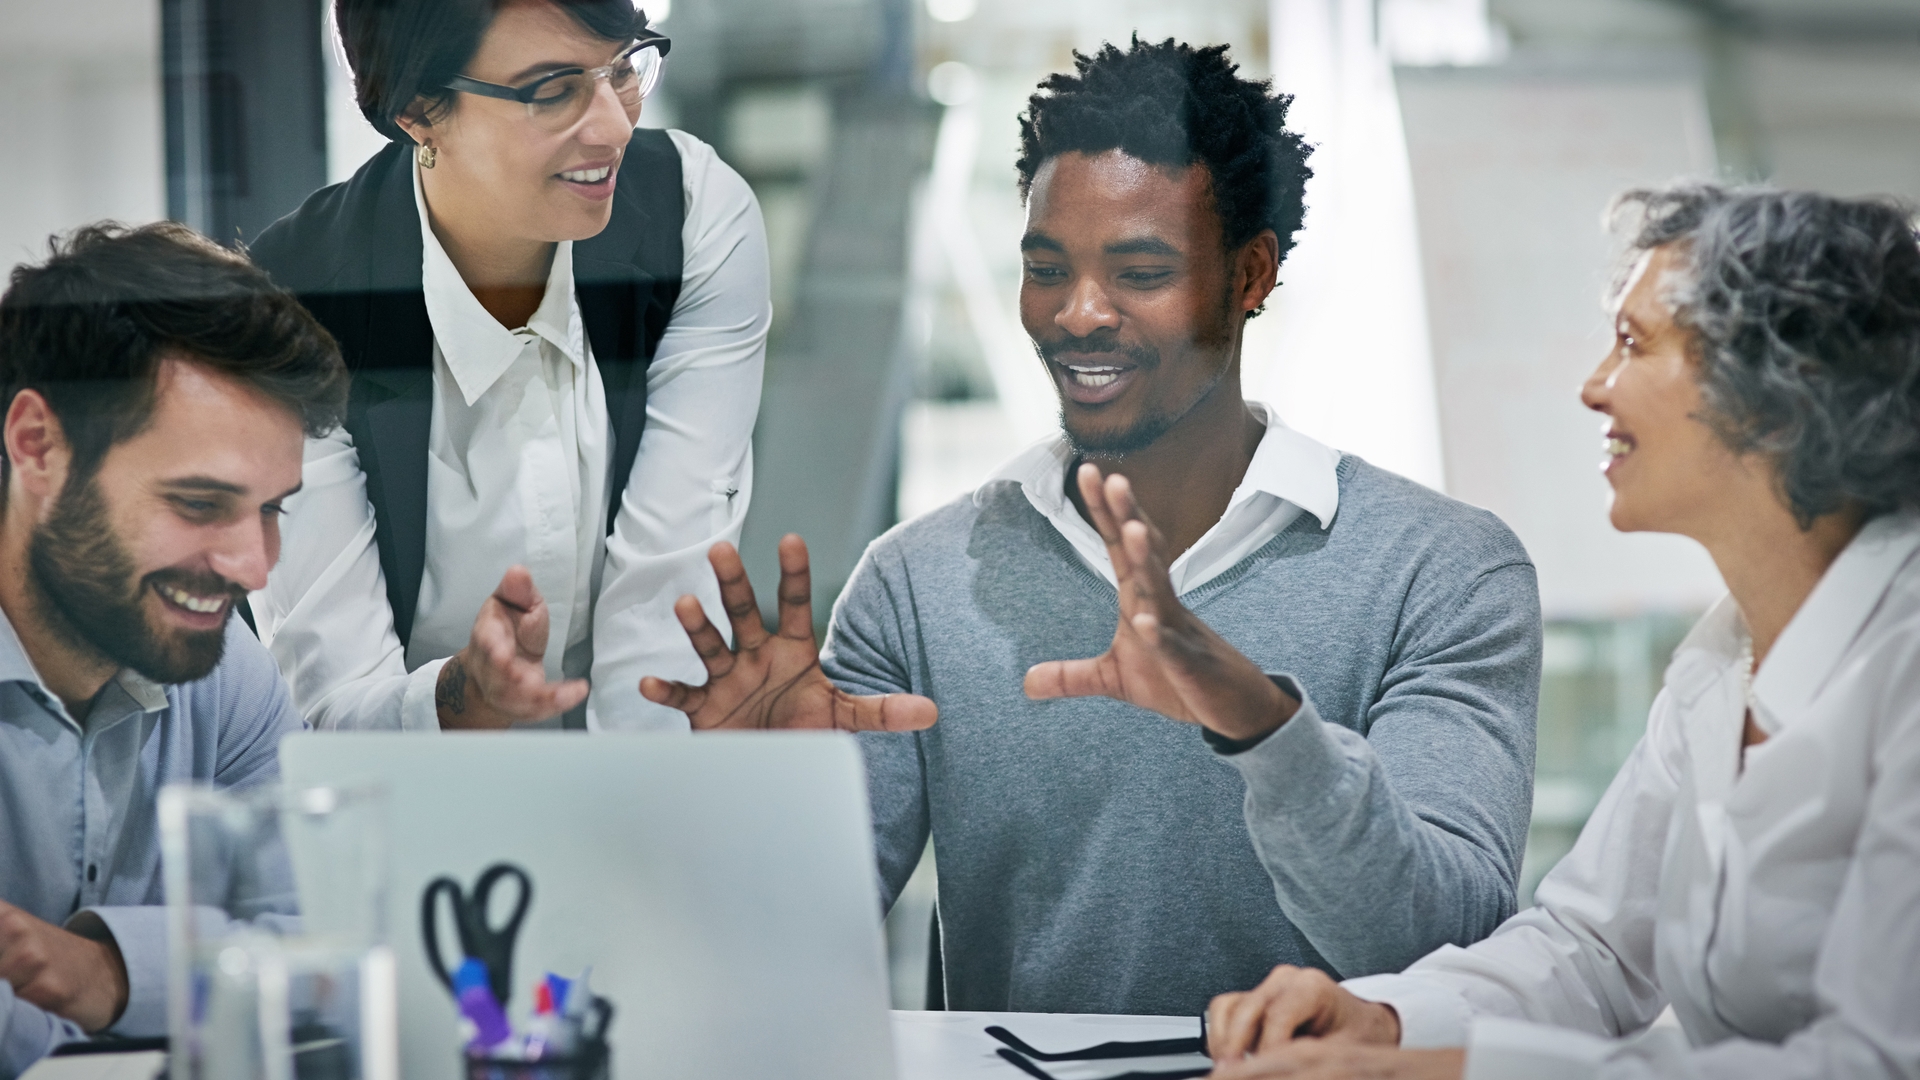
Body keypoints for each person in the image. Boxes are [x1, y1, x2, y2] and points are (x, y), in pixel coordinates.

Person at [642, 38, 1541, 1015]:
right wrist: (757, 800)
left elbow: (1439, 942)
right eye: (1045, 266)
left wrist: (1260, 723)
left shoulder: (1443, 571)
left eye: (1140, 270)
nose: (1077, 314)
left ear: (1251, 275)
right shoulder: (919, 582)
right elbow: (775, 962)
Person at [1202, 185, 1920, 1080]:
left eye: (1633, 344)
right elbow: (1593, 945)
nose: (1593, 386)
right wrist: (1386, 1019)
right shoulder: (1721, 658)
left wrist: (1447, 1074)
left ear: (1782, 395)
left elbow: (1878, 1064)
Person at [248, 0, 770, 732]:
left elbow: (666, 605)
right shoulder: (297, 300)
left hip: (637, 791)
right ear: (420, 112)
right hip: (408, 807)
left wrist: (639, 832)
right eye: (552, 90)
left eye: (623, 68)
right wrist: (463, 697)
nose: (615, 126)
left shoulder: (689, 214)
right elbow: (334, 705)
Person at [0, 222, 347, 1078]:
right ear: (38, 446)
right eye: (199, 503)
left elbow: (321, 945)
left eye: (273, 509)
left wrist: (112, 969)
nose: (253, 568)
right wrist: (201, 968)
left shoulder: (227, 673)